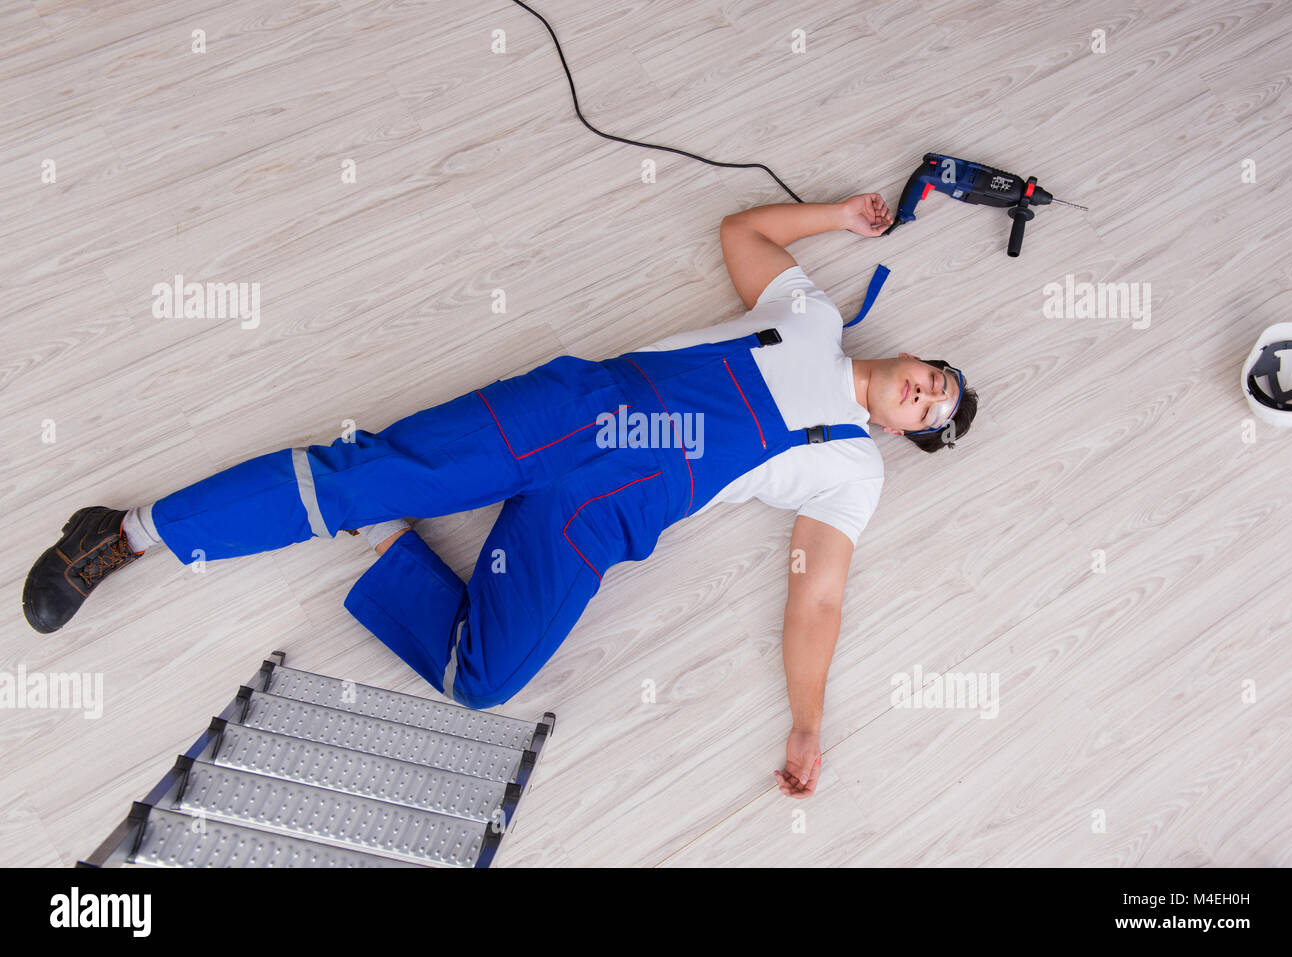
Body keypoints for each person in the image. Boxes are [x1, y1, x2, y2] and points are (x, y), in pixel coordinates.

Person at [23, 194, 977, 799]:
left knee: (481, 678)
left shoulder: (853, 471)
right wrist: (839, 218)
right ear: (916, 359)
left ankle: (384, 535)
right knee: (367, 466)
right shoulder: (808, 315)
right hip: (579, 414)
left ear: (905, 434)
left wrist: (808, 718)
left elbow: (818, 597)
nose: (929, 395)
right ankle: (126, 534)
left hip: (597, 521)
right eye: (939, 378)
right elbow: (743, 230)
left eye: (933, 414)